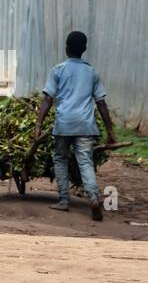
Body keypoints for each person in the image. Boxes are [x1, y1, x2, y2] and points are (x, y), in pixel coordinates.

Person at [31, 30, 116, 221]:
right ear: (84, 49)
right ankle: (93, 199)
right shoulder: (92, 72)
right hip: (86, 126)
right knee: (85, 161)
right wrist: (110, 131)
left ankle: (63, 200)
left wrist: (38, 124)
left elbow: (47, 99)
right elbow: (101, 103)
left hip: (64, 124)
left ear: (66, 49)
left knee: (60, 158)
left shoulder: (58, 70)